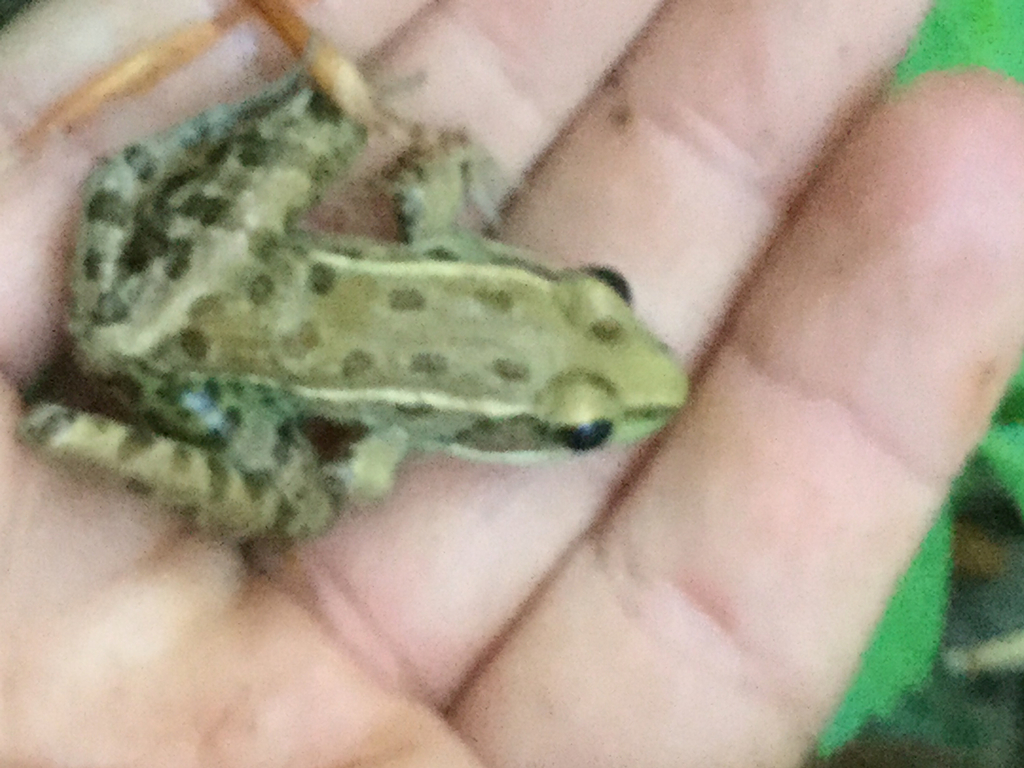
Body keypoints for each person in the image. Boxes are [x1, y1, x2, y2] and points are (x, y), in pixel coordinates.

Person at [1, 0, 1023, 765]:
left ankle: (125, 200)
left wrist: (441, 178)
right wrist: (369, 458)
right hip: (186, 369)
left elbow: (424, 185)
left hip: (212, 270)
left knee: (331, 121)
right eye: (578, 427)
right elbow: (360, 464)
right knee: (308, 500)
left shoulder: (450, 249)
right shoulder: (409, 417)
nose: (635, 381)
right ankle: (80, 426)